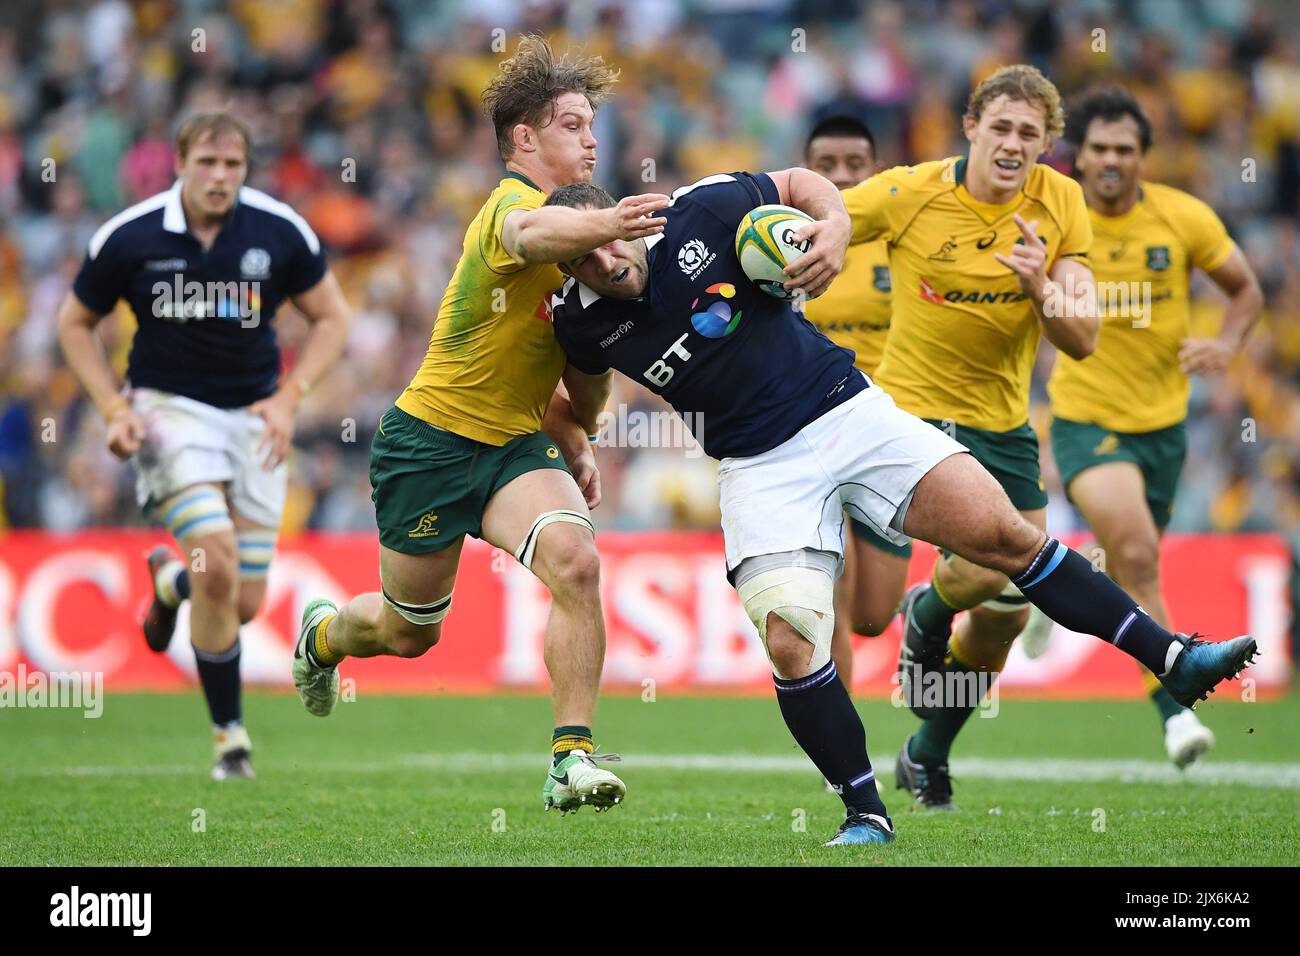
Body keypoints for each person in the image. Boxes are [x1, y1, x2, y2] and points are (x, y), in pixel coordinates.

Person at [544, 170, 1256, 845]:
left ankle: (1174, 658)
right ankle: (866, 811)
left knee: (1007, 537)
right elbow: (588, 392)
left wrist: (833, 223)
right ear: (566, 268)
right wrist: (579, 436)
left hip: (846, 412)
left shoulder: (699, 210)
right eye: (582, 258)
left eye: (609, 239)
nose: (605, 262)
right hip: (757, 468)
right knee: (793, 641)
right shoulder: (577, 324)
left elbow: (796, 182)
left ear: (628, 217)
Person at [293, 36, 669, 814]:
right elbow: (532, 239)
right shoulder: (510, 209)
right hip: (425, 445)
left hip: (511, 448)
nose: (592, 140)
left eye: (593, 126)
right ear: (525, 139)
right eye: (572, 125)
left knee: (575, 560)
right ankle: (323, 638)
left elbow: (585, 398)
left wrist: (578, 417)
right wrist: (610, 233)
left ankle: (571, 757)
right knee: (407, 634)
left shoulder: (583, 247)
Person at [56, 111, 351, 780]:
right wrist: (111, 406)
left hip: (254, 418)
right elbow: (75, 323)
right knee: (217, 559)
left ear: (247, 170)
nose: (220, 178)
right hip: (168, 412)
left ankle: (170, 583)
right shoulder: (128, 237)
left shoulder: (279, 231)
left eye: (233, 166)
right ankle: (231, 741)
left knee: (240, 601)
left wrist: (289, 396)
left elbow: (333, 317)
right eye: (207, 164)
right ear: (179, 164)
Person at [842, 63, 1101, 809]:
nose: (1014, 142)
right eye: (1001, 127)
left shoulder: (1063, 204)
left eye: (1030, 133)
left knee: (1011, 611)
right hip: (910, 417)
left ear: (1048, 144)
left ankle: (926, 750)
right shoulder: (910, 191)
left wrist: (1040, 287)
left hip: (1004, 424)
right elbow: (827, 220)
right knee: (979, 578)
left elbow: (1082, 338)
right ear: (971, 128)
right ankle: (923, 614)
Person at [1041, 87, 1263, 767]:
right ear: (1080, 156)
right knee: (1136, 555)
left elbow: (1246, 291)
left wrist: (1226, 345)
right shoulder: (1055, 219)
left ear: (1143, 156)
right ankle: (1174, 716)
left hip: (1164, 430)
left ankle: (1042, 603)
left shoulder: (1182, 218)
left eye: (1125, 149)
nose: (1112, 160)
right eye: (1100, 149)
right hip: (1085, 419)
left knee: (1141, 569)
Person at [801, 114, 908, 696]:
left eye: (855, 165)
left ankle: (920, 608)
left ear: (877, 170)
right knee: (828, 595)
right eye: (826, 166)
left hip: (887, 431)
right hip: (806, 431)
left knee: (872, 614)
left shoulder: (899, 241)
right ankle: (839, 756)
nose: (840, 177)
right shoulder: (774, 245)